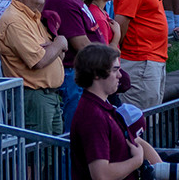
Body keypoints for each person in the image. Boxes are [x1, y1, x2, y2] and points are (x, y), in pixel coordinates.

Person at [70, 43, 164, 180]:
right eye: (115, 70)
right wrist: (136, 161)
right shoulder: (92, 116)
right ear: (97, 74)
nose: (120, 75)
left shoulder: (104, 108)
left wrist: (162, 168)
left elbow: (135, 141)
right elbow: (101, 175)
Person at [0, 0, 66, 133]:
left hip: (49, 96)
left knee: (53, 155)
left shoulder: (32, 16)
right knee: (40, 156)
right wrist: (59, 43)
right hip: (34, 98)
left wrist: (53, 49)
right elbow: (39, 60)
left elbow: (57, 56)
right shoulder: (14, 20)